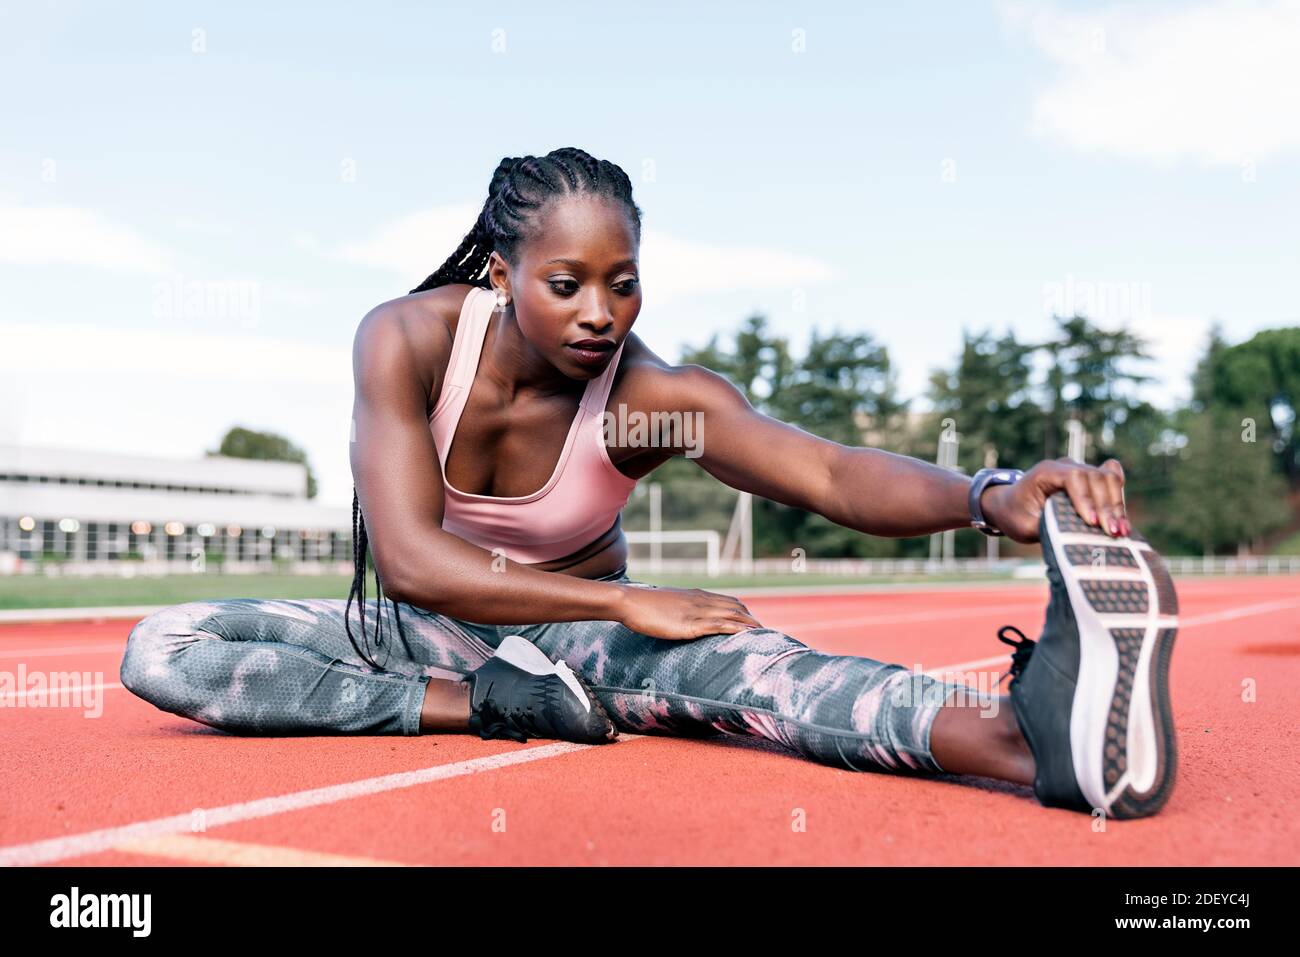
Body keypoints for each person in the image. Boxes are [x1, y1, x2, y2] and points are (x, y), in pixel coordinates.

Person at [121, 147, 1178, 818]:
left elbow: (822, 470)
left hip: (584, 648)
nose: (600, 314)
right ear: (500, 272)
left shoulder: (642, 402)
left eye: (622, 284)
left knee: (756, 672)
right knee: (163, 648)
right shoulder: (403, 341)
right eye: (567, 284)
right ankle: (479, 709)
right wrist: (614, 599)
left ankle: (1025, 737)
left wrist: (989, 497)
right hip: (425, 634)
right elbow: (409, 559)